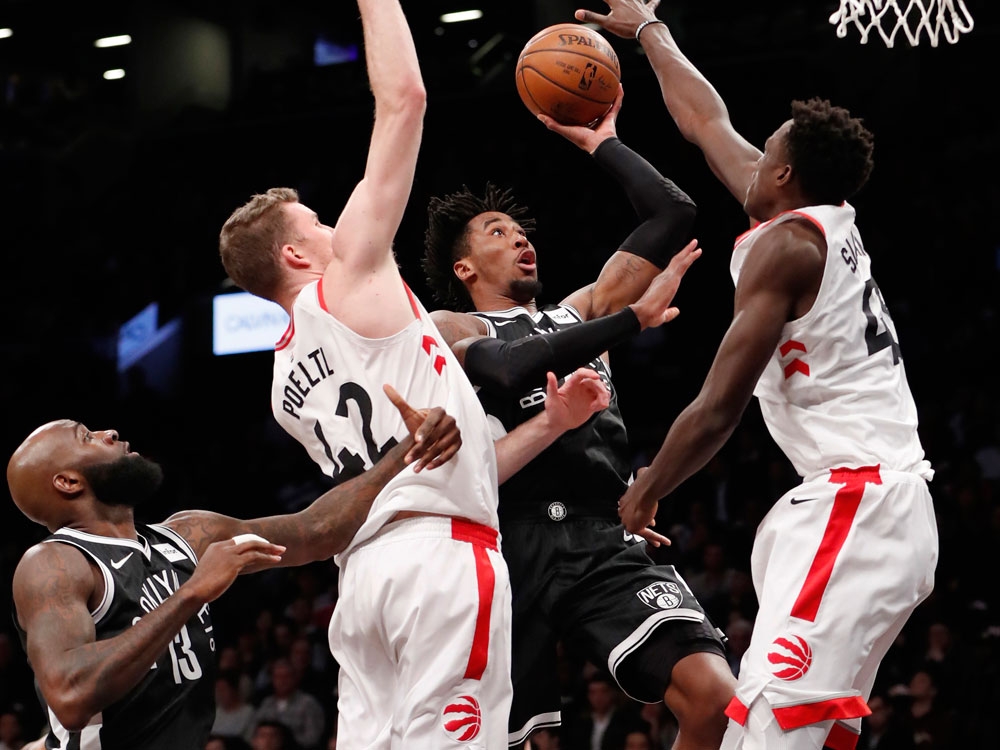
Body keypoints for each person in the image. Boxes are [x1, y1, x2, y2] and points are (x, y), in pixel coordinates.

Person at [217, 2, 611, 746]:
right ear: (298, 257)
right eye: (320, 226)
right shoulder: (352, 276)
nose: (340, 229)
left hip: (363, 581)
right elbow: (405, 99)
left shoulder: (282, 384)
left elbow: (439, 464)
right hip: (441, 564)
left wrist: (551, 425)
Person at [579, 1, 939, 748]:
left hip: (858, 504)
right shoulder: (809, 212)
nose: (752, 149)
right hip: (869, 506)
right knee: (786, 730)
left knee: (769, 724)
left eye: (767, 145)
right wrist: (652, 31)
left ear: (783, 172)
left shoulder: (787, 252)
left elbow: (718, 408)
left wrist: (644, 491)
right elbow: (707, 123)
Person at [422, 88, 736, 749]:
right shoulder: (449, 326)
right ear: (464, 266)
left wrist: (603, 142)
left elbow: (675, 211)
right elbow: (508, 369)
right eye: (498, 233)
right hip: (506, 546)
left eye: (522, 230)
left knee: (714, 698)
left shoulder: (581, 311)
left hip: (602, 534)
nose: (521, 238)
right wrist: (632, 321)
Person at [6, 401, 460, 749]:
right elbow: (69, 694)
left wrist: (408, 451)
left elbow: (316, 531)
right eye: (87, 437)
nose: (109, 432)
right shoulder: (54, 563)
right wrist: (192, 594)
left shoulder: (188, 535)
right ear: (68, 482)